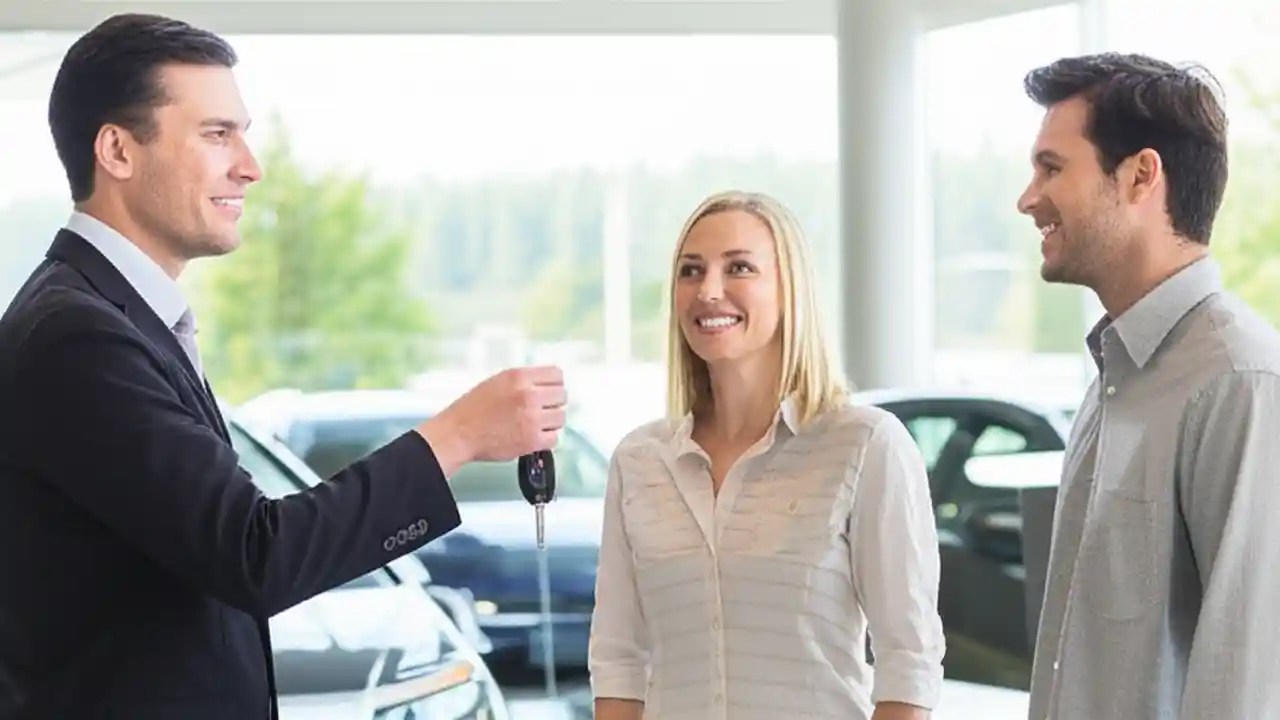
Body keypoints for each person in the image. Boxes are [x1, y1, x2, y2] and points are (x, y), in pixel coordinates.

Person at [0, 14, 566, 719]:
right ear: (117, 150)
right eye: (216, 134)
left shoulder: (112, 317)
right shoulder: (77, 337)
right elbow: (255, 553)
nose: (250, 164)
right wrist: (458, 436)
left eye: (243, 132)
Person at [587, 190, 945, 720]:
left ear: (789, 291)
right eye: (691, 271)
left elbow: (908, 660)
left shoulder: (867, 445)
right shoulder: (639, 459)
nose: (708, 291)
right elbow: (618, 659)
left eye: (739, 268)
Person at [1017, 52, 1280, 720]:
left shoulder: (1239, 380)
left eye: (1052, 167)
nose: (1027, 198)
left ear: (1140, 175)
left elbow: (1246, 686)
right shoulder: (1114, 376)